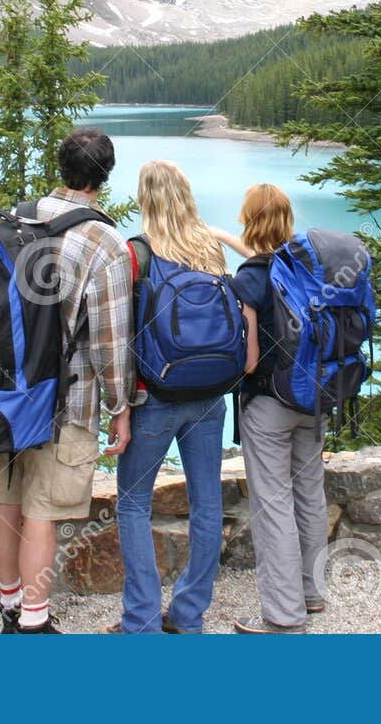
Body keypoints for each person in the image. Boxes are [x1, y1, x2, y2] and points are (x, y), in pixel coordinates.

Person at [0, 128, 134, 634]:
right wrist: (121, 406)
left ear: (61, 166)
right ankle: (34, 621)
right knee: (42, 508)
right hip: (67, 399)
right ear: (104, 176)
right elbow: (111, 340)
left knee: (6, 499)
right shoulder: (104, 242)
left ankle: (7, 605)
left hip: (3, 392)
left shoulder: (13, 217)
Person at [108, 160, 257, 634]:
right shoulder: (209, 249)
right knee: (206, 502)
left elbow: (121, 335)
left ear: (144, 199)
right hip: (211, 394)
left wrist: (119, 405)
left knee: (133, 504)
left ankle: (143, 621)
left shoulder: (138, 253)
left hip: (154, 395)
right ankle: (189, 614)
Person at [215, 183, 328, 634]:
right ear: (286, 220)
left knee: (273, 505)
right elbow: (266, 260)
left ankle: (282, 616)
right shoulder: (305, 268)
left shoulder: (249, 281)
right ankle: (312, 594)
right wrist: (224, 238)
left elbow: (247, 358)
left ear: (250, 220)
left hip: (268, 404)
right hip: (314, 397)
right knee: (309, 494)